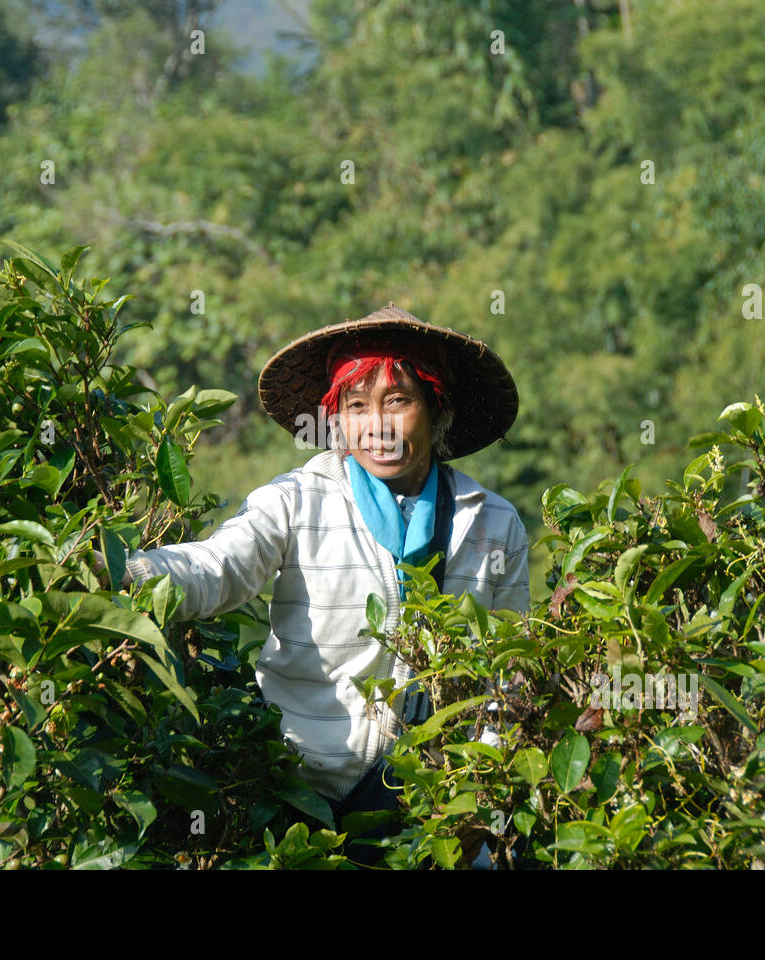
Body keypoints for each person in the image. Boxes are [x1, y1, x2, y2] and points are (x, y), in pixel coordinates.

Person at [96, 303, 530, 864]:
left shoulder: (491, 522)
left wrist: (479, 798)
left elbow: (510, 672)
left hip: (438, 809)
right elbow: (220, 567)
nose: (377, 426)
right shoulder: (297, 502)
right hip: (302, 795)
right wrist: (121, 571)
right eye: (356, 405)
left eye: (397, 401)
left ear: (434, 406)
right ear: (337, 419)